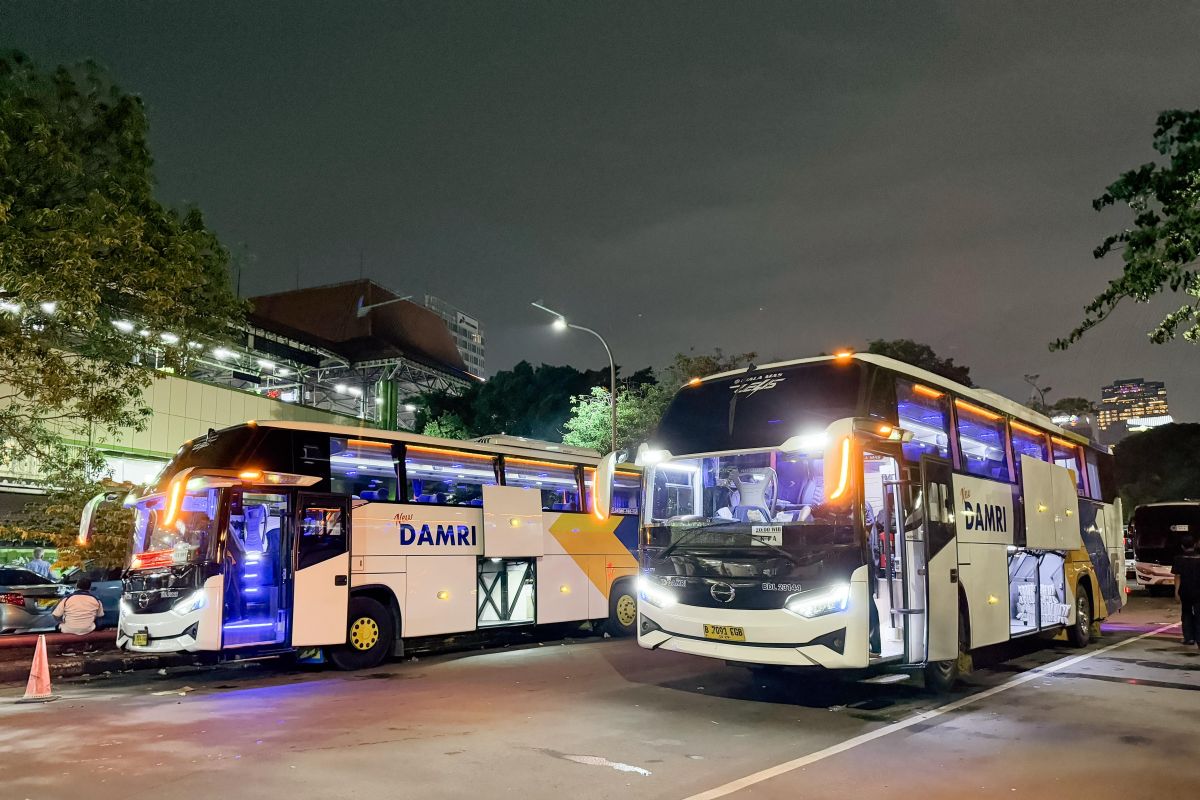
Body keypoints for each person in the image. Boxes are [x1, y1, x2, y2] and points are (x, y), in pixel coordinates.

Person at [1172, 536, 1200, 647]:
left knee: (1186, 614)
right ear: (1195, 545)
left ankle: (1189, 638)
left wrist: (1176, 592)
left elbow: (1177, 577)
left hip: (1185, 591)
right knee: (1199, 614)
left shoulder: (1178, 559)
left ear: (1182, 546)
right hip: (1199, 591)